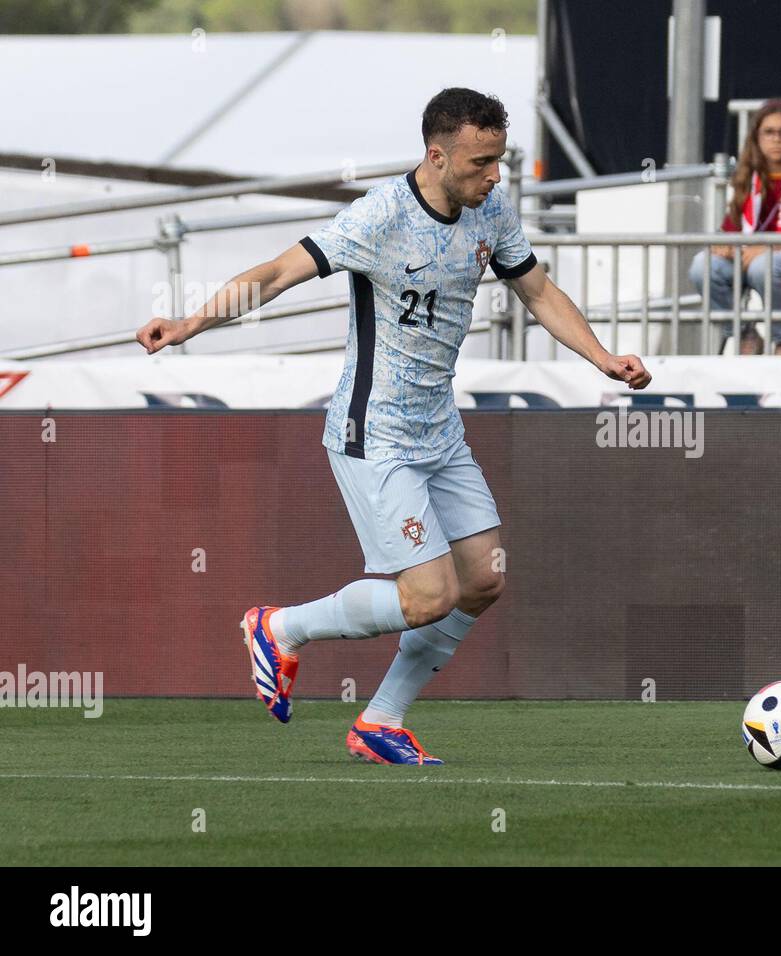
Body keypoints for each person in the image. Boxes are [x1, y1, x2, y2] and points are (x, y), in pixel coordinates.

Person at [135, 88, 651, 765]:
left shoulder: (490, 206)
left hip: (439, 430)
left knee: (484, 577)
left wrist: (603, 357)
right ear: (436, 156)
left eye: (497, 159)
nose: (494, 175)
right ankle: (281, 627)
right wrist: (189, 322)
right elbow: (276, 274)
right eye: (480, 162)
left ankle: (381, 721)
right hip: (373, 432)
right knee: (428, 595)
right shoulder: (380, 216)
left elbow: (537, 290)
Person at [690, 98, 781, 354]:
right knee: (702, 266)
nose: (776, 139)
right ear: (757, 138)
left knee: (762, 266)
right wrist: (723, 244)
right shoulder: (747, 177)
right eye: (769, 132)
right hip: (747, 257)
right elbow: (731, 231)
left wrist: (766, 248)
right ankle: (743, 333)